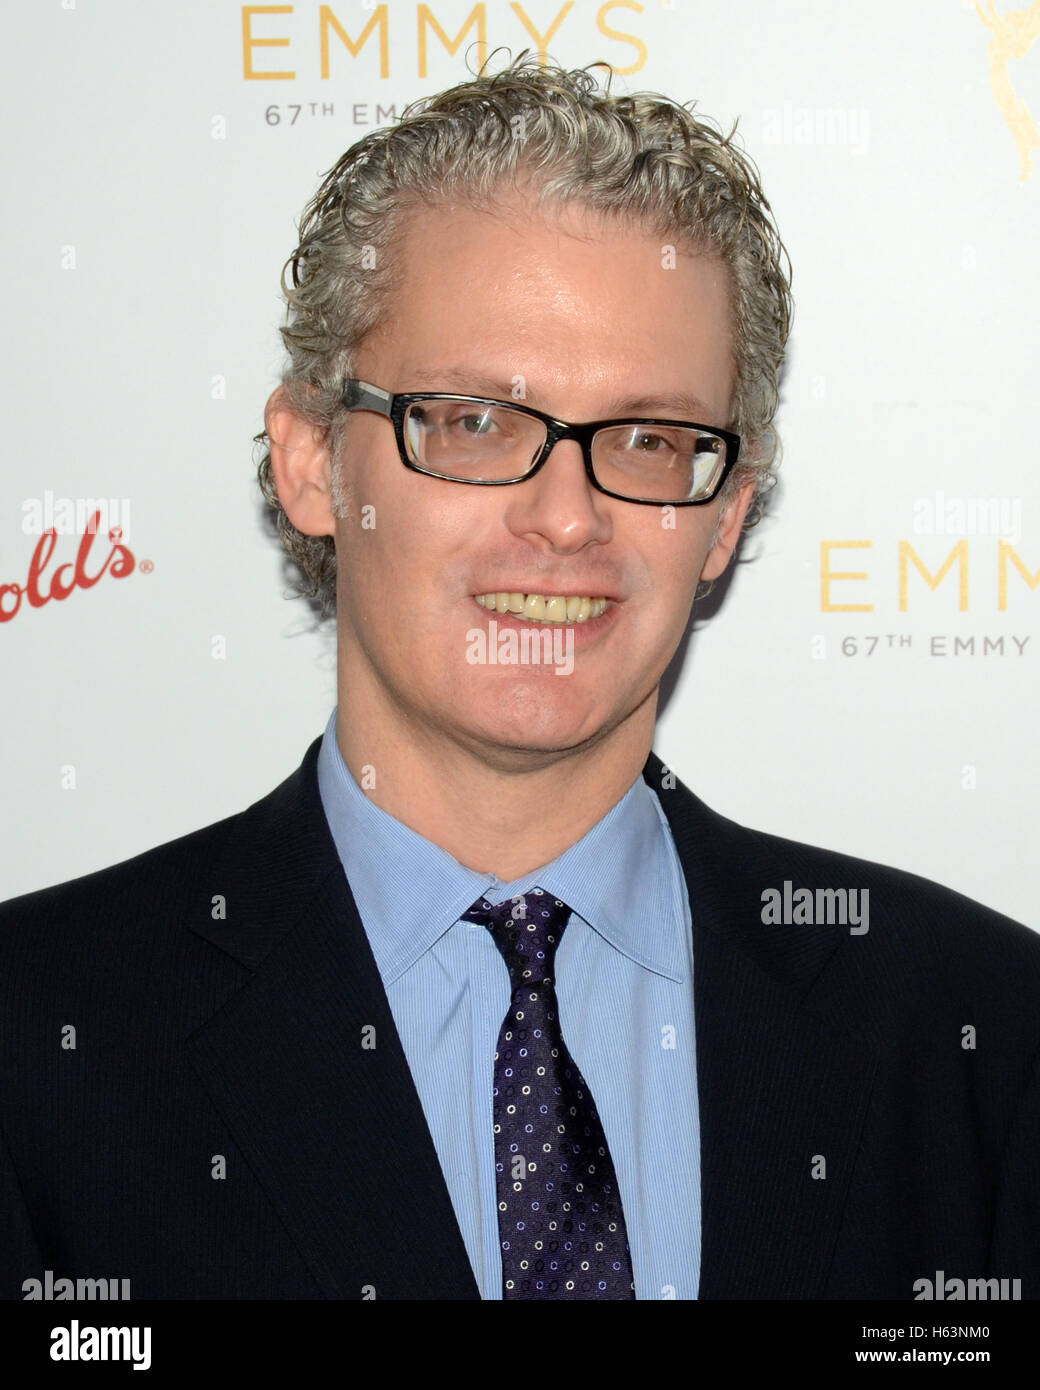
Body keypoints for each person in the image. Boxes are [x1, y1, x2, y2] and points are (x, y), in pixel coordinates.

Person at [2, 53, 1039, 1303]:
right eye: (476, 422)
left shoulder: (977, 1031)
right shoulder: (40, 1039)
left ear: (722, 519)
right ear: (312, 463)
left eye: (650, 440)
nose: (566, 517)